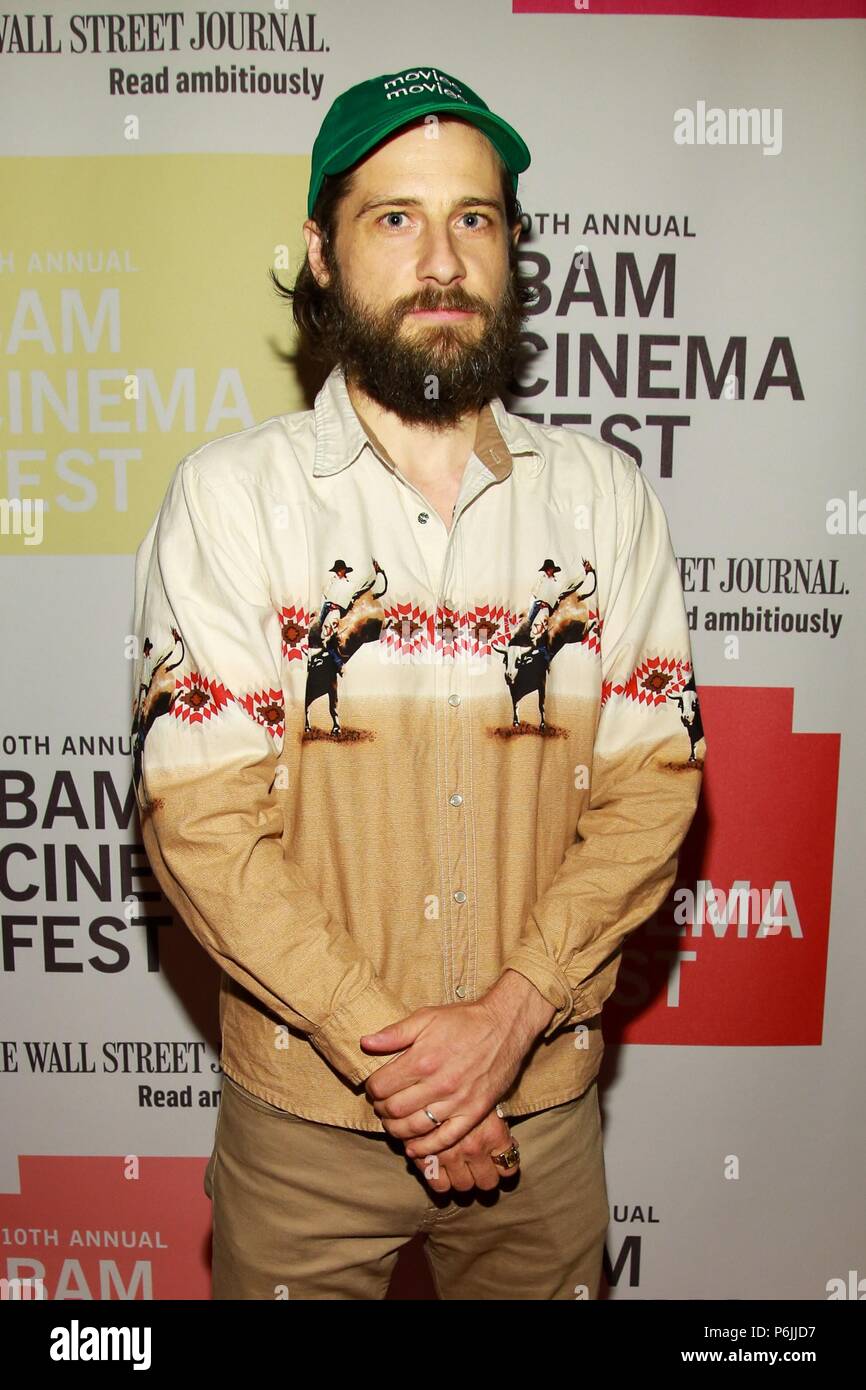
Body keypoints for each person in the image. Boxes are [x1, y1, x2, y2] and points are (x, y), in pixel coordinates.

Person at [131, 63, 707, 1300]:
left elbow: (652, 795)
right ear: (320, 255)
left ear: (510, 250)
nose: (440, 257)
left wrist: (506, 1022)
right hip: (304, 1127)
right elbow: (203, 821)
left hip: (539, 1120)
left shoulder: (605, 502)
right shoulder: (232, 502)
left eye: (474, 218)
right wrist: (414, 1070)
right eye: (393, 217)